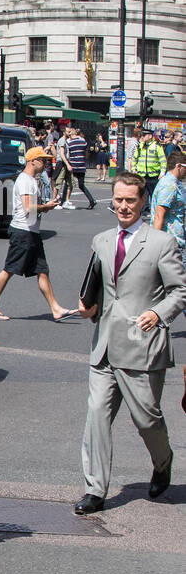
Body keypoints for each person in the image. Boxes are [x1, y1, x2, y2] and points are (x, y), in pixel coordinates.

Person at [74, 172, 186, 514]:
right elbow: (96, 286)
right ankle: (95, 490)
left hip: (142, 345)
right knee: (96, 415)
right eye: (119, 200)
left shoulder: (161, 243)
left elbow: (180, 291)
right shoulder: (102, 240)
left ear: (143, 202)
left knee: (146, 419)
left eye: (130, 201)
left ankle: (162, 461)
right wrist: (88, 307)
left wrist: (158, 313)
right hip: (104, 345)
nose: (123, 206)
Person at [0, 147, 77, 321]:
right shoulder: (26, 181)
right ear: (32, 161)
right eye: (42, 160)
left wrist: (45, 208)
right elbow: (28, 208)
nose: (45, 163)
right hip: (23, 232)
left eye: (46, 160)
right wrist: (46, 207)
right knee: (9, 269)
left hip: (31, 231)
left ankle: (56, 308)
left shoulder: (31, 180)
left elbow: (31, 209)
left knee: (42, 271)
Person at [151, 152, 186, 267]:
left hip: (174, 242)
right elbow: (159, 215)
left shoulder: (174, 183)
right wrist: (155, 244)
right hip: (170, 243)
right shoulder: (169, 185)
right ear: (178, 166)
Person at [60, 126, 96, 209]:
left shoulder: (69, 142)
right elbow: (86, 152)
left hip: (73, 165)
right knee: (81, 184)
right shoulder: (83, 141)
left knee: (67, 184)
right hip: (81, 165)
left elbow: (67, 153)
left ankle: (63, 201)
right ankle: (91, 200)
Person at [132, 128, 166, 195]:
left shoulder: (157, 146)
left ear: (150, 136)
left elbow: (163, 160)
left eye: (144, 135)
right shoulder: (140, 146)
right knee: (144, 197)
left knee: (154, 196)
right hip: (142, 176)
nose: (142, 137)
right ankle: (146, 206)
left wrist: (162, 172)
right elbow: (134, 159)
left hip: (154, 176)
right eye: (141, 135)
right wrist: (134, 169)